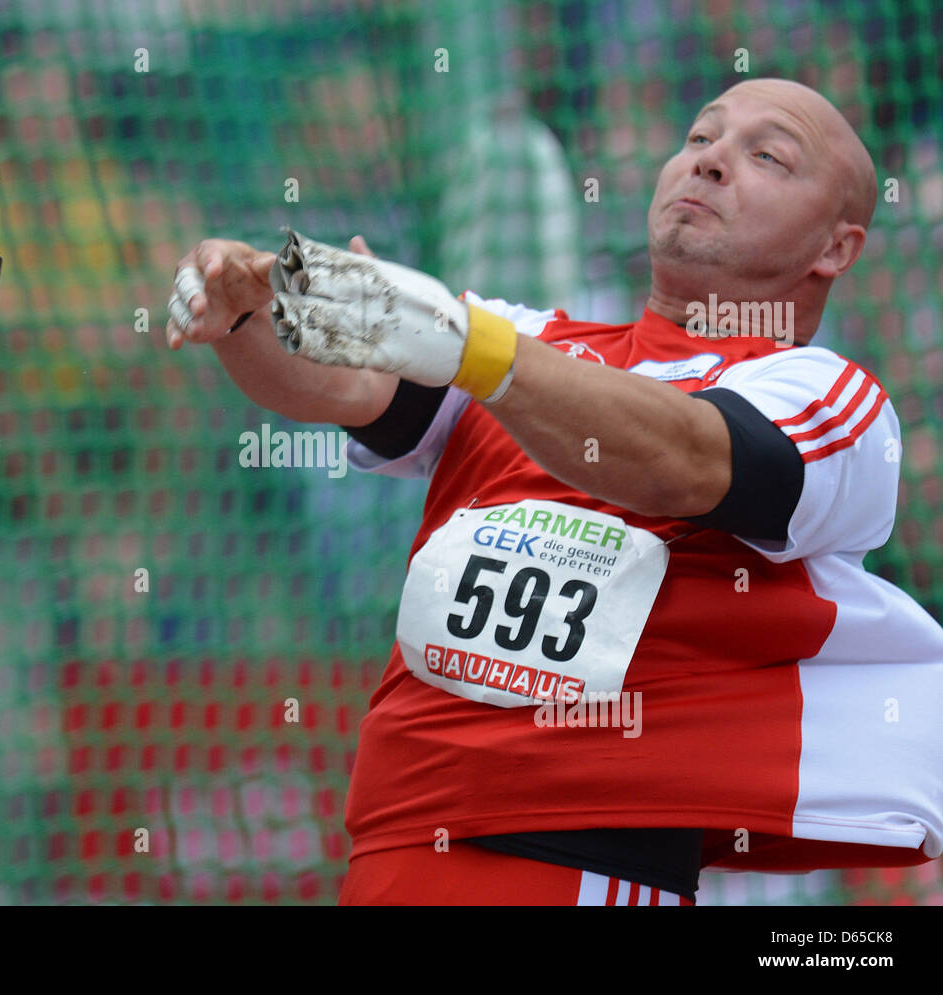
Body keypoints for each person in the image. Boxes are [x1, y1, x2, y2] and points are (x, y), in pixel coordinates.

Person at [164, 78, 943, 905]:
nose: (711, 161)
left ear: (836, 247)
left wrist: (480, 352)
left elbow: (685, 457)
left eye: (766, 155)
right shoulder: (533, 339)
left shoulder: (832, 397)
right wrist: (247, 310)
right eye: (700, 137)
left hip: (582, 858)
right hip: (396, 840)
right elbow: (340, 386)